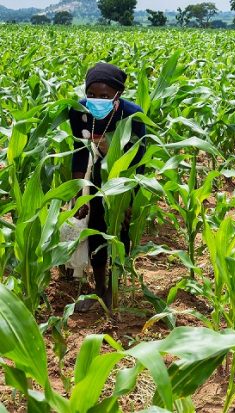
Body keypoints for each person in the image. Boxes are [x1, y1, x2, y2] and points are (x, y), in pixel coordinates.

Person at [68, 62, 146, 311]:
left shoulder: (132, 115)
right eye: (91, 94)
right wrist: (80, 194)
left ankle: (114, 286)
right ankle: (98, 288)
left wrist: (129, 202)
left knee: (119, 232)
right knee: (95, 228)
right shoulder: (80, 111)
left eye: (103, 96)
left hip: (122, 179)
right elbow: (79, 152)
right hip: (92, 178)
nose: (96, 100)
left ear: (117, 95)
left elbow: (138, 160)